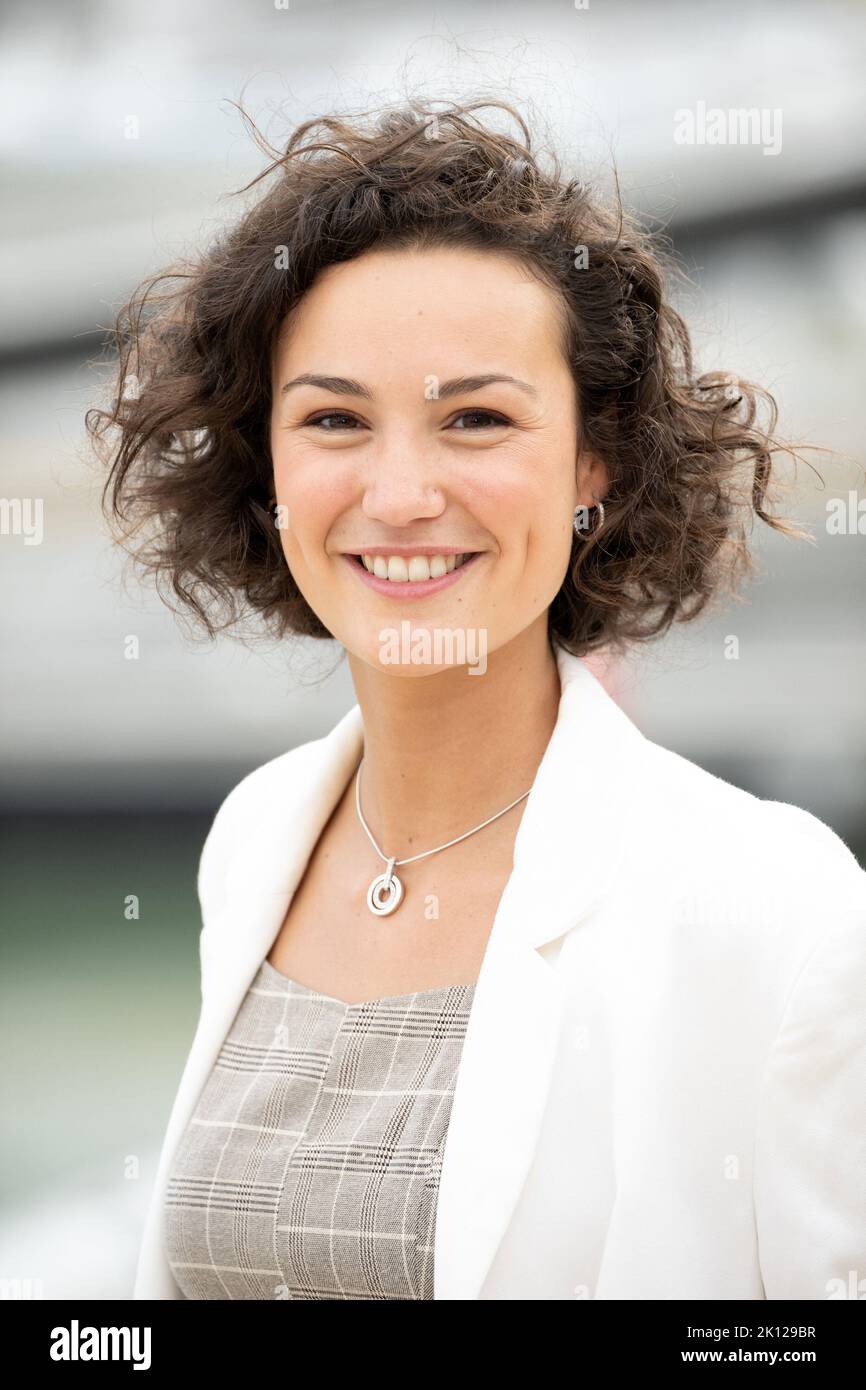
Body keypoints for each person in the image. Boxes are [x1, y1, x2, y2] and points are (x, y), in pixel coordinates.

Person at [88, 98, 866, 1301]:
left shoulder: (774, 908)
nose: (399, 493)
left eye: (476, 419)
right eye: (335, 418)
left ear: (592, 463)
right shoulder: (257, 837)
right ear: (267, 461)